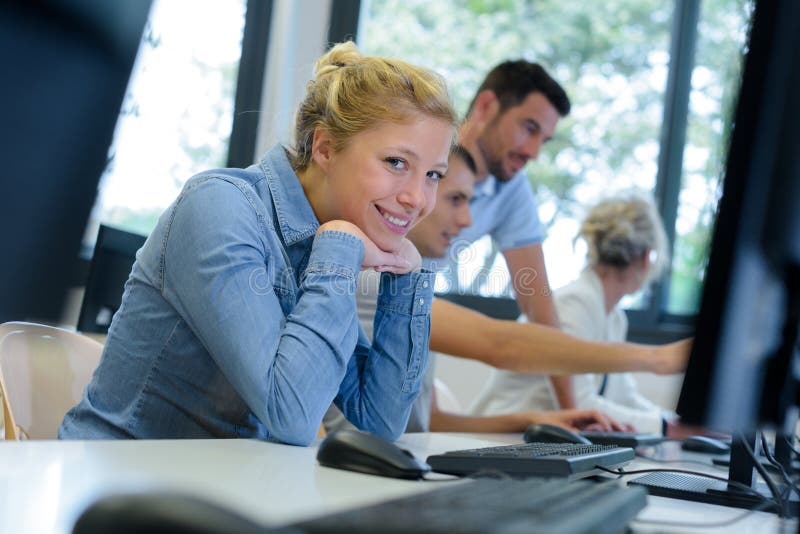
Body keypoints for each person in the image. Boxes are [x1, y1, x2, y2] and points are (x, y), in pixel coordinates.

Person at [58, 41, 458, 445]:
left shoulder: (320, 238)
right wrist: (339, 249)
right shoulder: (220, 206)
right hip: (118, 484)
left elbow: (379, 423)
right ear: (324, 147)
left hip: (223, 488)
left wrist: (405, 282)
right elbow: (291, 416)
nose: (418, 199)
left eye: (434, 175)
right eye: (396, 163)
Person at [324, 147, 682, 435]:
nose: (468, 221)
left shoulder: (410, 281)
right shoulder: (368, 278)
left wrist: (526, 421)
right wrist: (657, 359)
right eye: (456, 200)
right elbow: (501, 344)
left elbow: (426, 422)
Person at [429, 60, 577, 409]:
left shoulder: (511, 190)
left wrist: (573, 412)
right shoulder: (423, 154)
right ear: (486, 107)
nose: (534, 151)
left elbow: (538, 304)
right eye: (529, 128)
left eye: (544, 139)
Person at [471, 194, 677, 435]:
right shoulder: (576, 302)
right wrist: (664, 427)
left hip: (538, 441)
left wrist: (673, 422)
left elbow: (625, 396)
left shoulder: (614, 317)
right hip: (500, 439)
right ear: (646, 257)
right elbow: (580, 406)